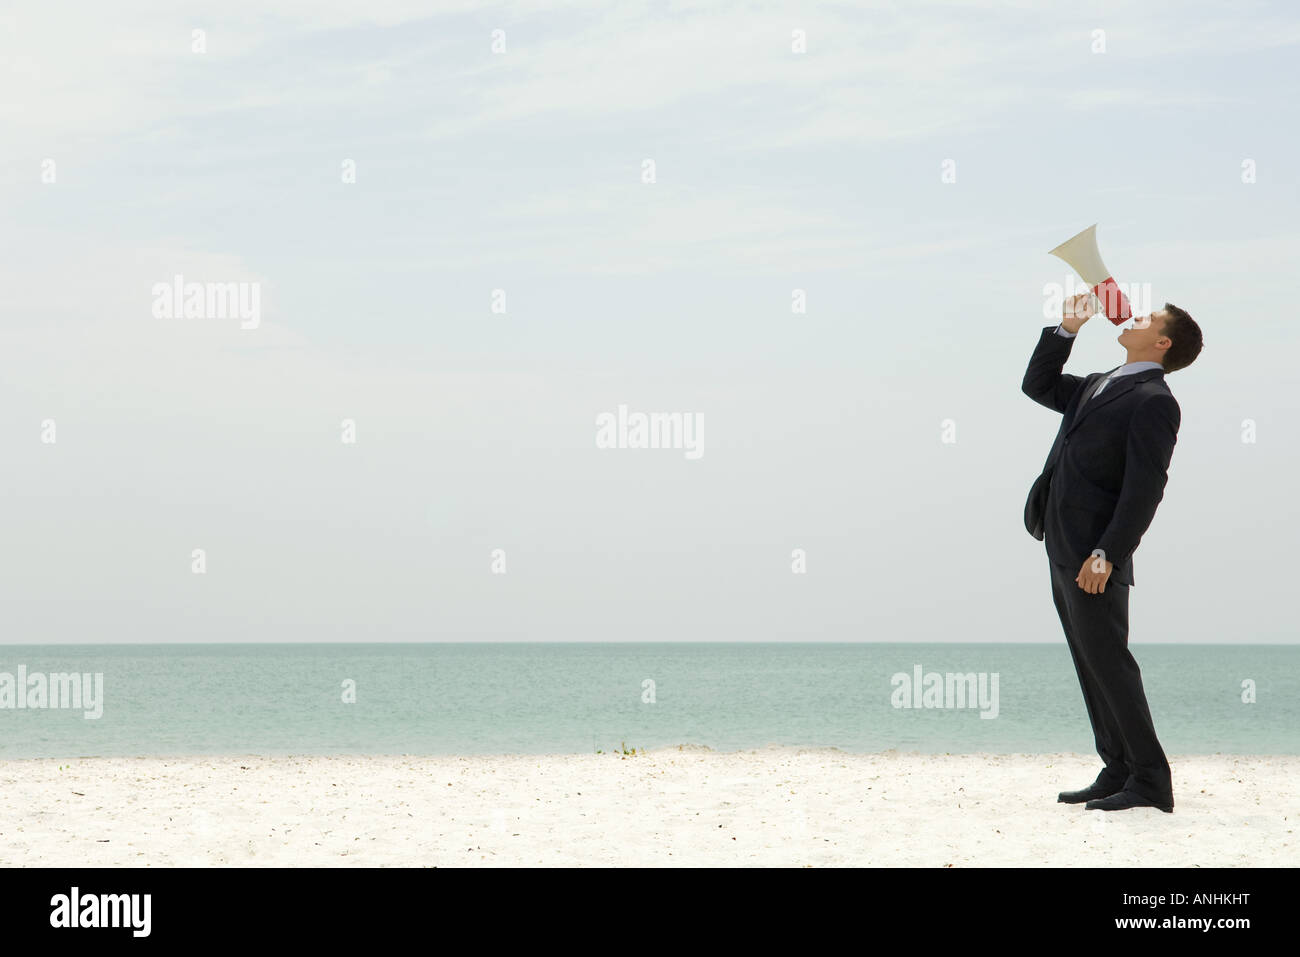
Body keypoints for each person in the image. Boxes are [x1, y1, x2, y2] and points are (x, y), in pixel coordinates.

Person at [1021, 293, 1203, 812]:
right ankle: (1118, 766)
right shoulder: (1099, 383)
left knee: (1110, 662)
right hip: (1060, 541)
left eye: (1148, 318)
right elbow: (1037, 386)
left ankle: (1150, 780)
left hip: (1095, 556)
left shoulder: (1154, 401)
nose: (1133, 316)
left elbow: (1145, 488)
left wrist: (1108, 553)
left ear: (1162, 343)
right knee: (1089, 661)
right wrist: (1066, 330)